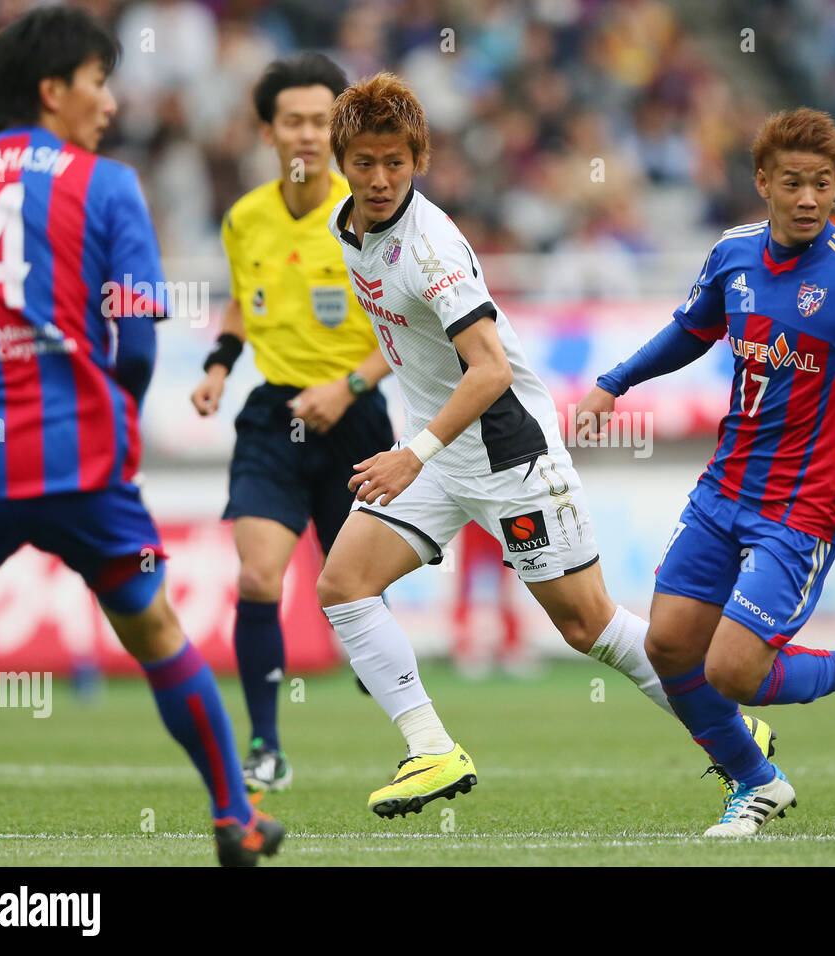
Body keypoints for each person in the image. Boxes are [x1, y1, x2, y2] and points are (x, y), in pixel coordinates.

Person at [315, 72, 774, 819]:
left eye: (394, 162)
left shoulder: (429, 248)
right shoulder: (348, 227)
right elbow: (404, 342)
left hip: (505, 455)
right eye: (363, 161)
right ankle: (430, 749)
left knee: (586, 625)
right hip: (441, 451)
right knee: (343, 585)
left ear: (418, 160)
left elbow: (490, 369)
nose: (378, 178)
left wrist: (412, 453)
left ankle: (731, 729)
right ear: (343, 160)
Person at [0, 6, 281, 865]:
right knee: (157, 632)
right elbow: (135, 333)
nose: (110, 99)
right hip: (81, 461)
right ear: (53, 91)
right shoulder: (108, 184)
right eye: (98, 82)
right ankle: (233, 818)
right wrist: (116, 404)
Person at [577, 107, 835, 836]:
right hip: (723, 489)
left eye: (823, 184)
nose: (808, 198)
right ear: (763, 183)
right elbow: (690, 330)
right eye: (793, 183)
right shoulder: (733, 255)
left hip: (801, 506)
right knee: (668, 645)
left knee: (733, 671)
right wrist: (614, 383)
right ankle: (756, 782)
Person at [190, 53, 395, 793]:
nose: (308, 134)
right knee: (256, 576)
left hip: (357, 419)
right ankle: (265, 745)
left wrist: (346, 387)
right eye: (294, 121)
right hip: (275, 417)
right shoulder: (245, 218)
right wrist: (218, 365)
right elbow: (246, 301)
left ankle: (408, 717)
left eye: (321, 121)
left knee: (357, 598)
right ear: (268, 130)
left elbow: (408, 330)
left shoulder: (372, 210)